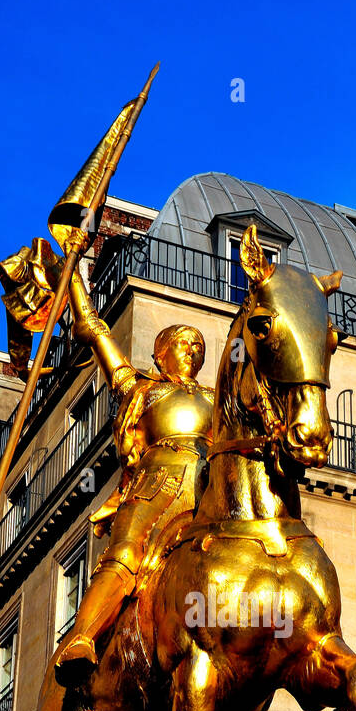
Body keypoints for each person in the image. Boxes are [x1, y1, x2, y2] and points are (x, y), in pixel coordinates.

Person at [54, 264, 213, 684]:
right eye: (182, 343)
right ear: (160, 353)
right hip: (156, 483)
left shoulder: (217, 397)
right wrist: (72, 280)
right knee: (127, 552)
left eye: (197, 346)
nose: (192, 351)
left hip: (207, 482)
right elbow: (95, 330)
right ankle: (83, 636)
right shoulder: (142, 389)